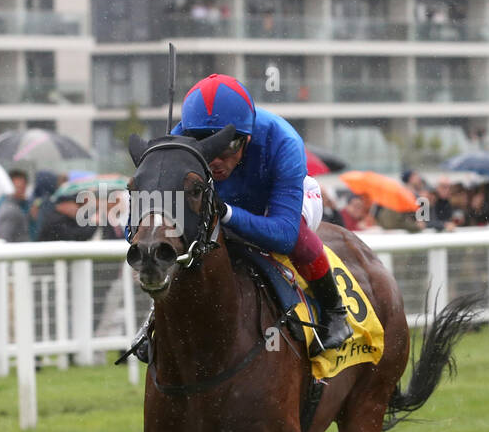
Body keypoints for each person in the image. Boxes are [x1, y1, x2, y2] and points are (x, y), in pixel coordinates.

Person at [133, 74, 352, 361]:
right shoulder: (179, 138)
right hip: (215, 197)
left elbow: (284, 235)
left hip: (276, 202)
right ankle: (153, 321)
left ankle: (335, 311)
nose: (215, 160)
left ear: (247, 138)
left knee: (297, 236)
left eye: (228, 147)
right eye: (204, 144)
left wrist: (228, 214)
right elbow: (152, 206)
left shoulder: (283, 141)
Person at [0, 169, 31, 242]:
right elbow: (4, 239)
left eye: (23, 187)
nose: (21, 191)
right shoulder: (9, 210)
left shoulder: (22, 205)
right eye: (18, 187)